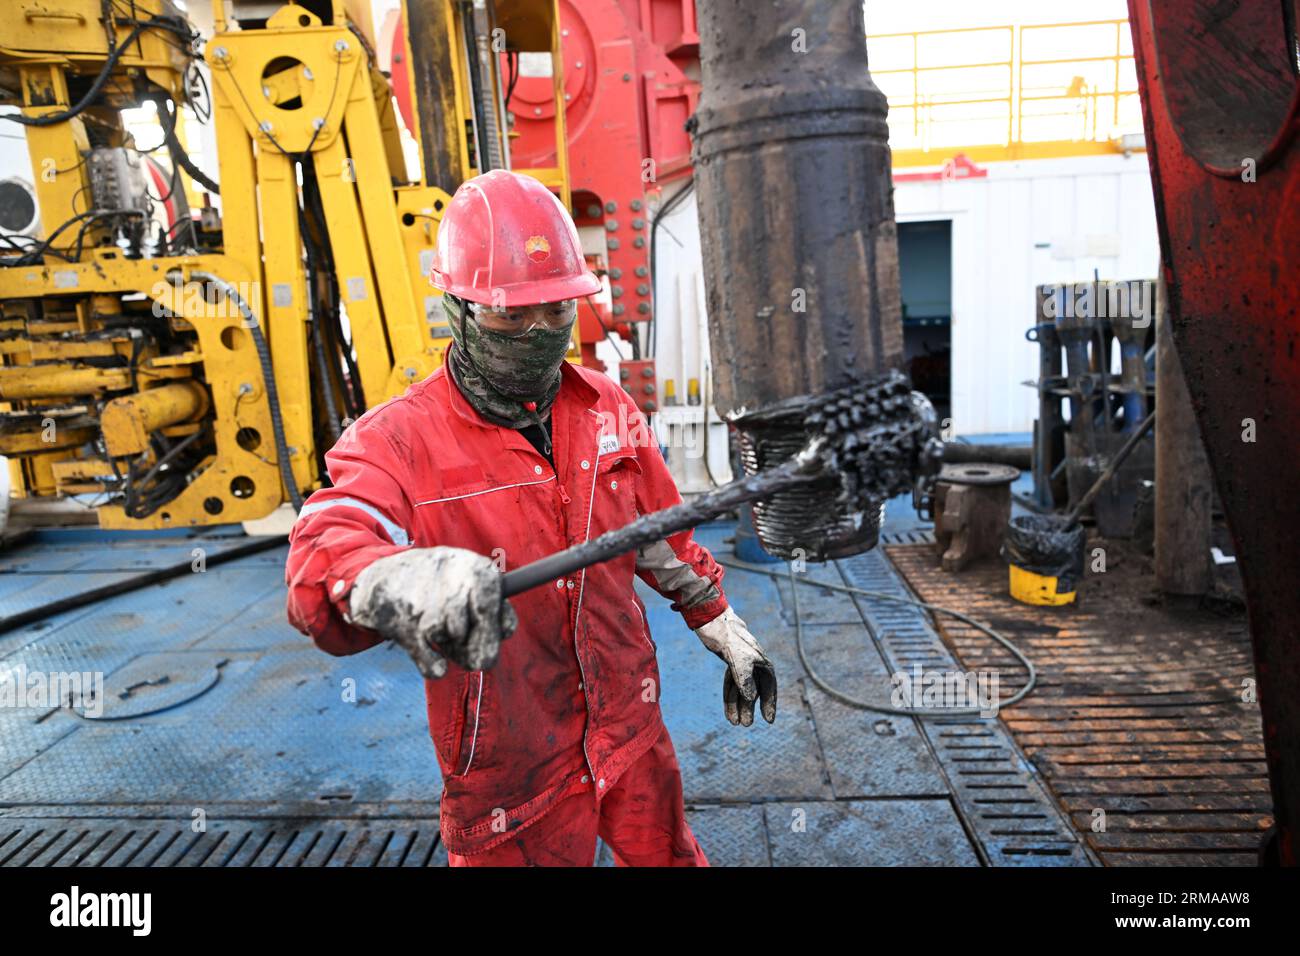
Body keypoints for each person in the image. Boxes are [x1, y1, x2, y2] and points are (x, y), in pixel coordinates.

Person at [285, 169, 777, 867]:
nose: (538, 331)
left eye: (554, 311)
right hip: (510, 759)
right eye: (510, 316)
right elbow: (328, 549)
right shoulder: (395, 440)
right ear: (457, 307)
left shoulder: (608, 407)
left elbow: (655, 529)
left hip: (627, 723)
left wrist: (719, 621)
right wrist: (385, 580)